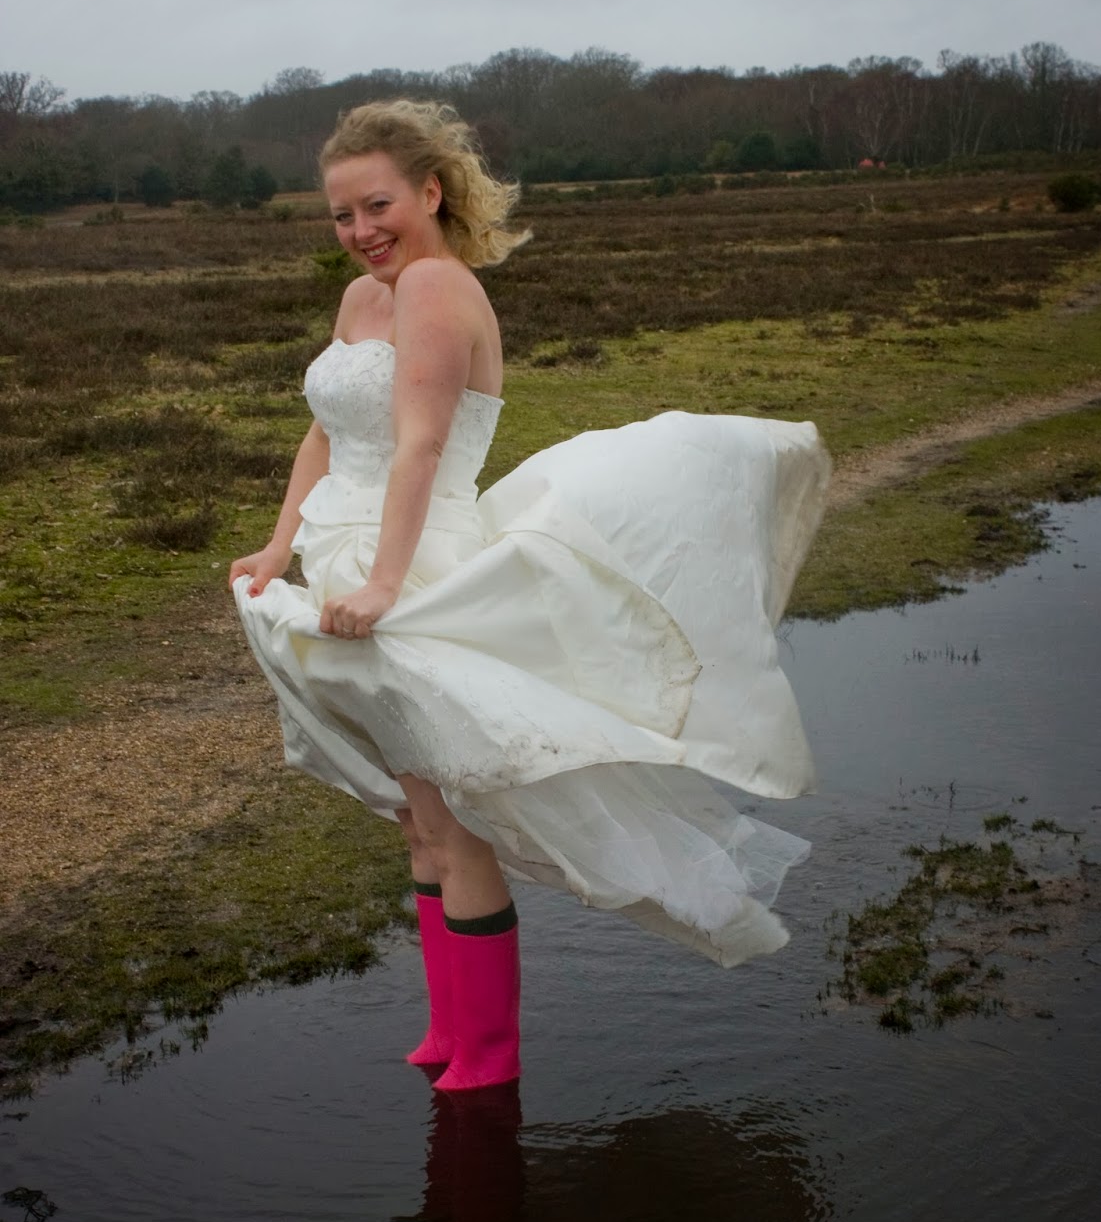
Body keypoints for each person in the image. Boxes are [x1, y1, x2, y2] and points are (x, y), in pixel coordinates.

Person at [230, 99, 830, 1093]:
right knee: (418, 817)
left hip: (417, 563)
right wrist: (278, 542)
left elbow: (420, 443)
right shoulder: (359, 300)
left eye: (375, 205)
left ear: (429, 191)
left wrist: (386, 581)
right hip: (345, 555)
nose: (360, 230)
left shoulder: (432, 286)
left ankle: (490, 1056)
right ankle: (448, 1030)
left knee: (457, 816)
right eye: (340, 215)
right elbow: (325, 434)